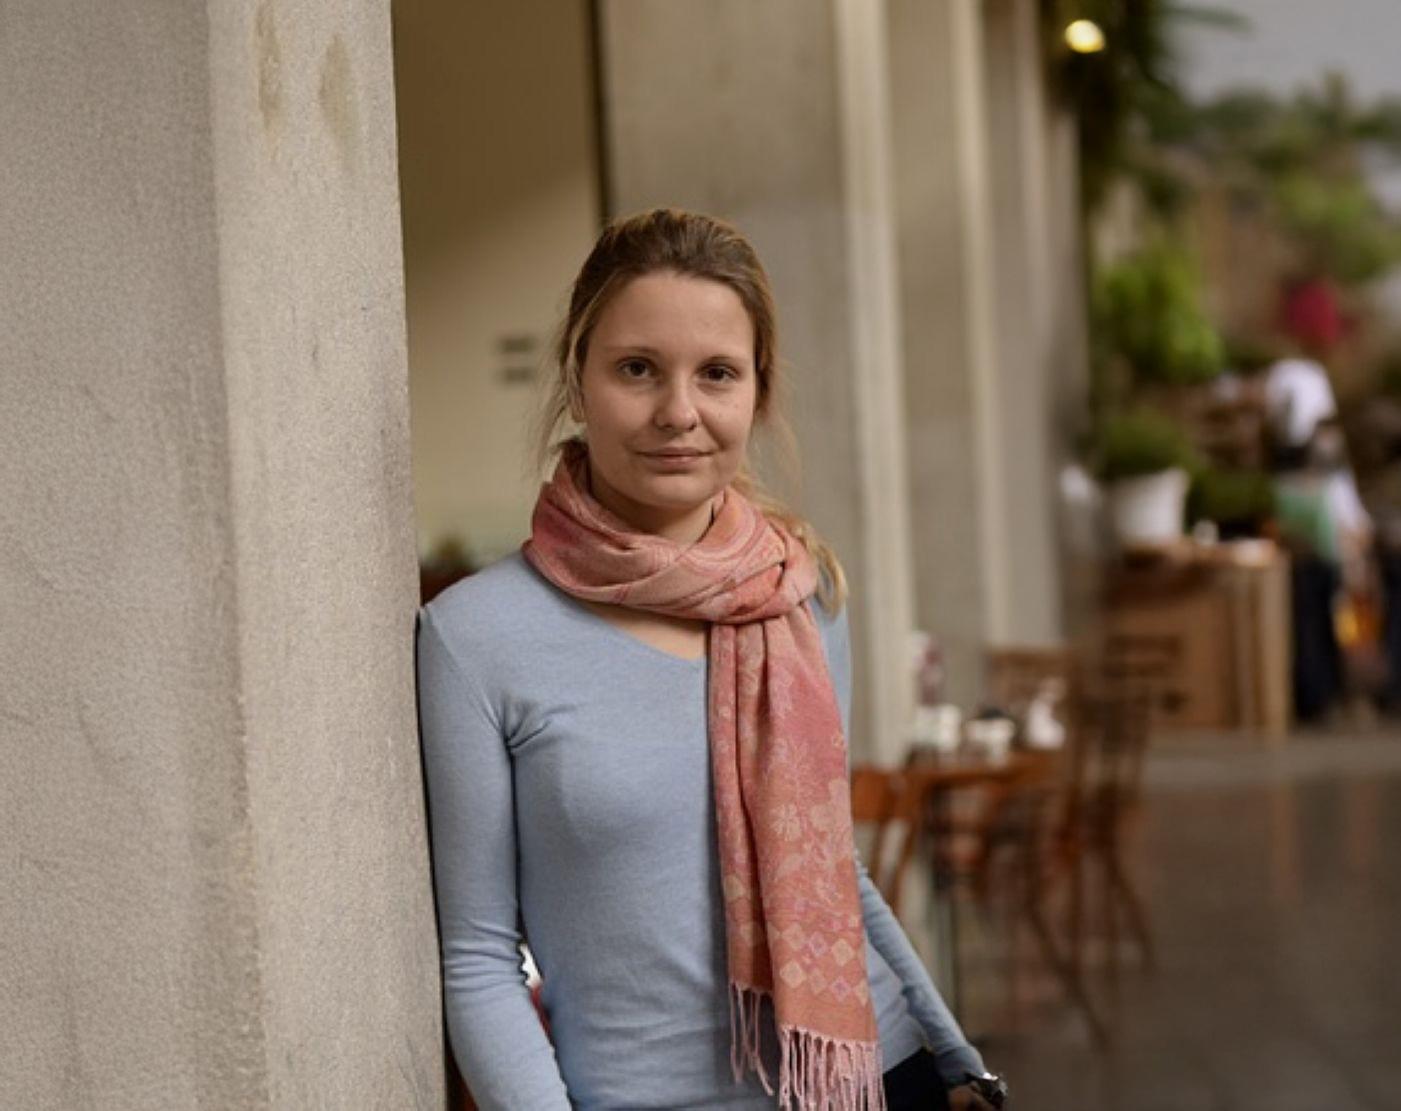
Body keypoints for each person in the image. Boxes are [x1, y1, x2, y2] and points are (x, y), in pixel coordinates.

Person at [415, 208, 1001, 1110]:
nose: (677, 413)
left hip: (867, 1081)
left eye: (716, 374)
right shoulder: (476, 637)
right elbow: (476, 958)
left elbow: (831, 866)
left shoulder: (799, 595)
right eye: (637, 369)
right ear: (578, 380)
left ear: (756, 394)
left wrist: (952, 1051)